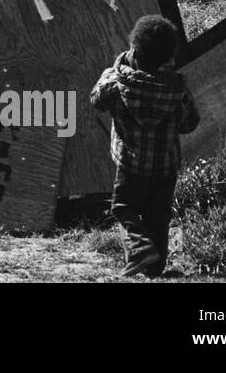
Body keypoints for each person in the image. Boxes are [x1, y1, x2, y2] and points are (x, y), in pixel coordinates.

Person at [90, 14, 200, 278]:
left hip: (131, 163)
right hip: (165, 165)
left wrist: (116, 68)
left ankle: (139, 246)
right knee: (158, 216)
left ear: (136, 49)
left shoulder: (116, 85)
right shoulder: (177, 90)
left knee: (123, 208)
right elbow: (190, 123)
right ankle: (155, 268)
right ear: (167, 57)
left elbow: (96, 100)